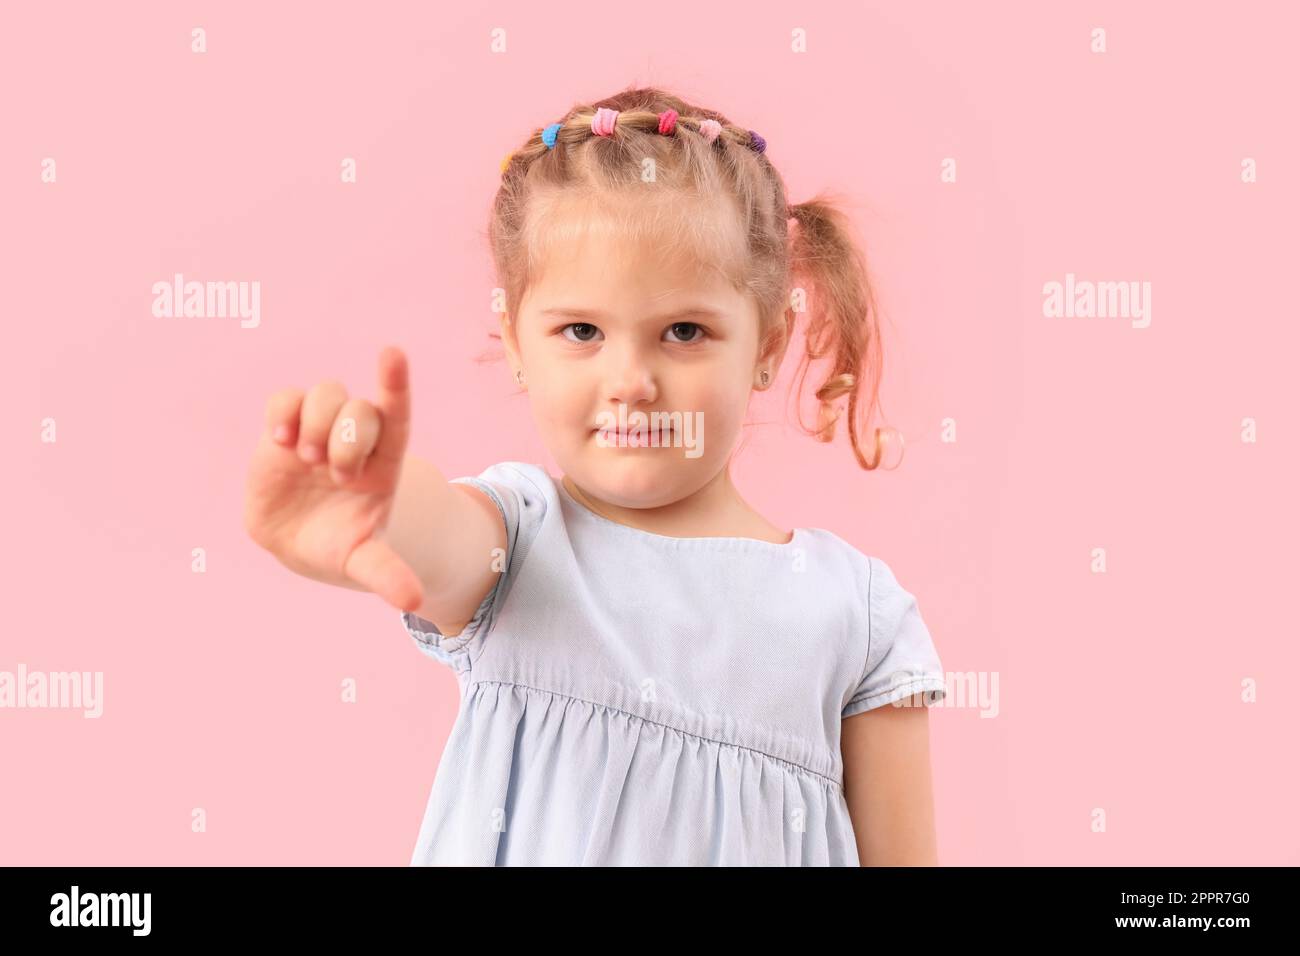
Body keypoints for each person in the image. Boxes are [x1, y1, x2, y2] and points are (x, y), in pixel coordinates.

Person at [243, 86, 947, 865]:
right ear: (514, 339)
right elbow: (439, 537)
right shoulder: (520, 542)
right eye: (581, 331)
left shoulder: (859, 618)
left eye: (685, 331)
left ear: (770, 343)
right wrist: (374, 506)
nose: (631, 381)